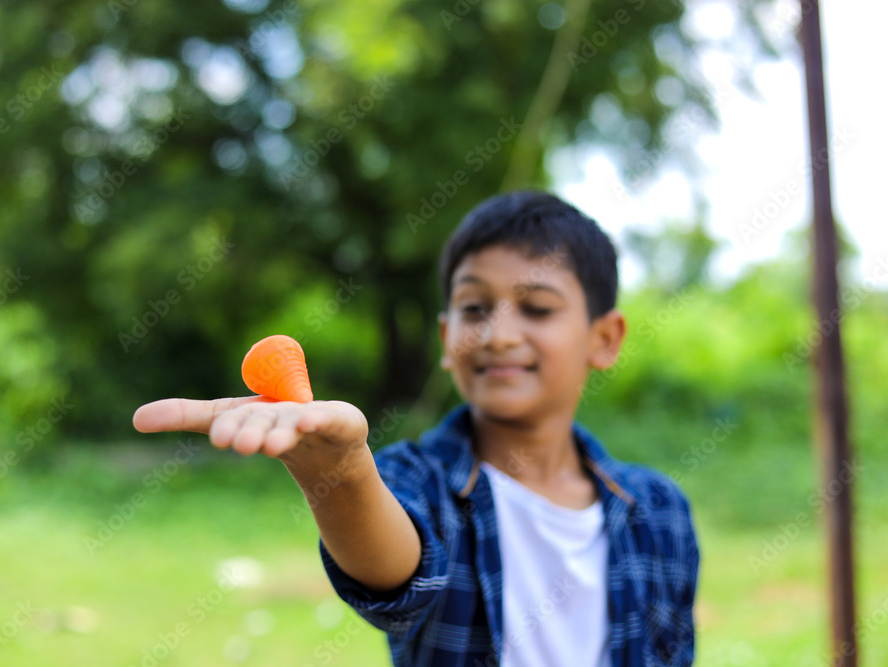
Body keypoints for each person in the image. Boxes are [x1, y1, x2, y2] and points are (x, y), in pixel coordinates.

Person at [133, 190, 700, 666]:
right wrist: (342, 472)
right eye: (475, 308)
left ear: (604, 338)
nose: (499, 335)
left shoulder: (659, 510)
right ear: (445, 339)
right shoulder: (415, 479)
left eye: (537, 309)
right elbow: (397, 579)